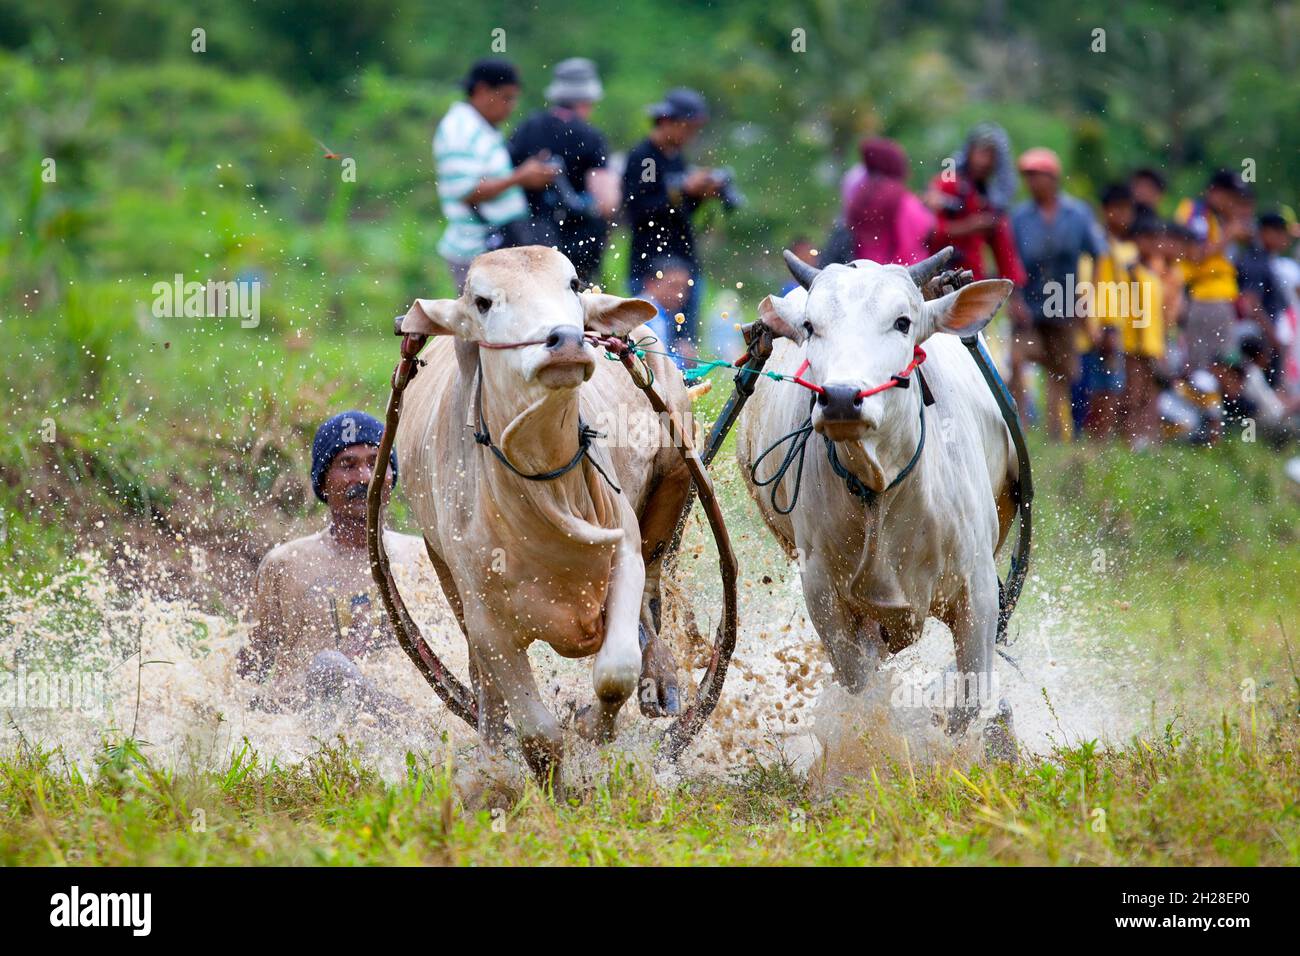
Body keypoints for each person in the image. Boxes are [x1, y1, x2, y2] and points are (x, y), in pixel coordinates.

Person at [238, 411, 424, 720]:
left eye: (376, 462)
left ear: (391, 474)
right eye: (348, 465)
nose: (365, 477)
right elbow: (248, 671)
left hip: (399, 725)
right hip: (307, 724)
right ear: (323, 482)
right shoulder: (286, 565)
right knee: (330, 667)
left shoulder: (421, 559)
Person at [433, 58, 558, 291]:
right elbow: (466, 191)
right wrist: (521, 177)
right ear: (481, 90)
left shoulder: (482, 127)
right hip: (475, 248)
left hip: (495, 246)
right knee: (487, 324)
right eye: (506, 97)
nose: (510, 106)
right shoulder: (461, 129)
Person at [1009, 147, 1106, 440]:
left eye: (1036, 176)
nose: (1031, 183)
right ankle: (1020, 428)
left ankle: (1055, 434)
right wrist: (1014, 299)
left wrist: (1088, 296)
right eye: (1027, 177)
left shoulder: (1078, 214)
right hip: (1029, 306)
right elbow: (1009, 262)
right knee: (1016, 359)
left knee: (1061, 372)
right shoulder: (1019, 217)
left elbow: (1099, 253)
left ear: (1052, 178)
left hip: (1064, 305)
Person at [622, 88, 728, 344]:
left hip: (683, 257)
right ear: (667, 121)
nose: (690, 135)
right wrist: (682, 190)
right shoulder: (644, 157)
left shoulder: (677, 158)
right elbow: (639, 209)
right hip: (651, 262)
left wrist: (700, 195)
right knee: (650, 342)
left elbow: (679, 212)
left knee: (685, 344)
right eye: (688, 128)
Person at [507, 58, 619, 285]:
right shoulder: (590, 136)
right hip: (577, 248)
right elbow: (606, 201)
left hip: (527, 241)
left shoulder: (527, 128)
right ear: (588, 99)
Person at [1081, 197, 1166, 448]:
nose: (1154, 245)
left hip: (1146, 345)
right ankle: (1109, 442)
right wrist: (1108, 327)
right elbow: (1108, 294)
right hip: (1125, 339)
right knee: (1118, 394)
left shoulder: (1148, 273)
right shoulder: (1116, 259)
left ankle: (1137, 441)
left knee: (1141, 396)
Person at [924, 122, 1026, 286]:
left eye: (992, 156)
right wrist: (969, 226)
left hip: (969, 282)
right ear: (969, 152)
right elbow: (928, 232)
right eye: (981, 153)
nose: (985, 162)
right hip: (936, 279)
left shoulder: (992, 198)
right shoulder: (948, 184)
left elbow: (1005, 254)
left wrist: (1014, 288)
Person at [1174, 169, 1252, 372]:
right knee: (1210, 367)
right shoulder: (1196, 212)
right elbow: (1194, 254)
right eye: (1230, 197)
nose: (1232, 202)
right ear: (1215, 192)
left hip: (1220, 299)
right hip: (1204, 297)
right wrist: (1228, 235)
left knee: (1224, 364)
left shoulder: (1219, 219)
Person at [843, 137, 935, 265]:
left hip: (865, 271)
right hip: (900, 272)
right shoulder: (900, 197)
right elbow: (925, 228)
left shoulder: (859, 192)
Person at [638, 256, 694, 367]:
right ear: (651, 283)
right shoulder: (649, 314)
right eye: (674, 287)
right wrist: (684, 361)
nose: (680, 295)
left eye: (684, 289)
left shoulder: (663, 313)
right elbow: (656, 363)